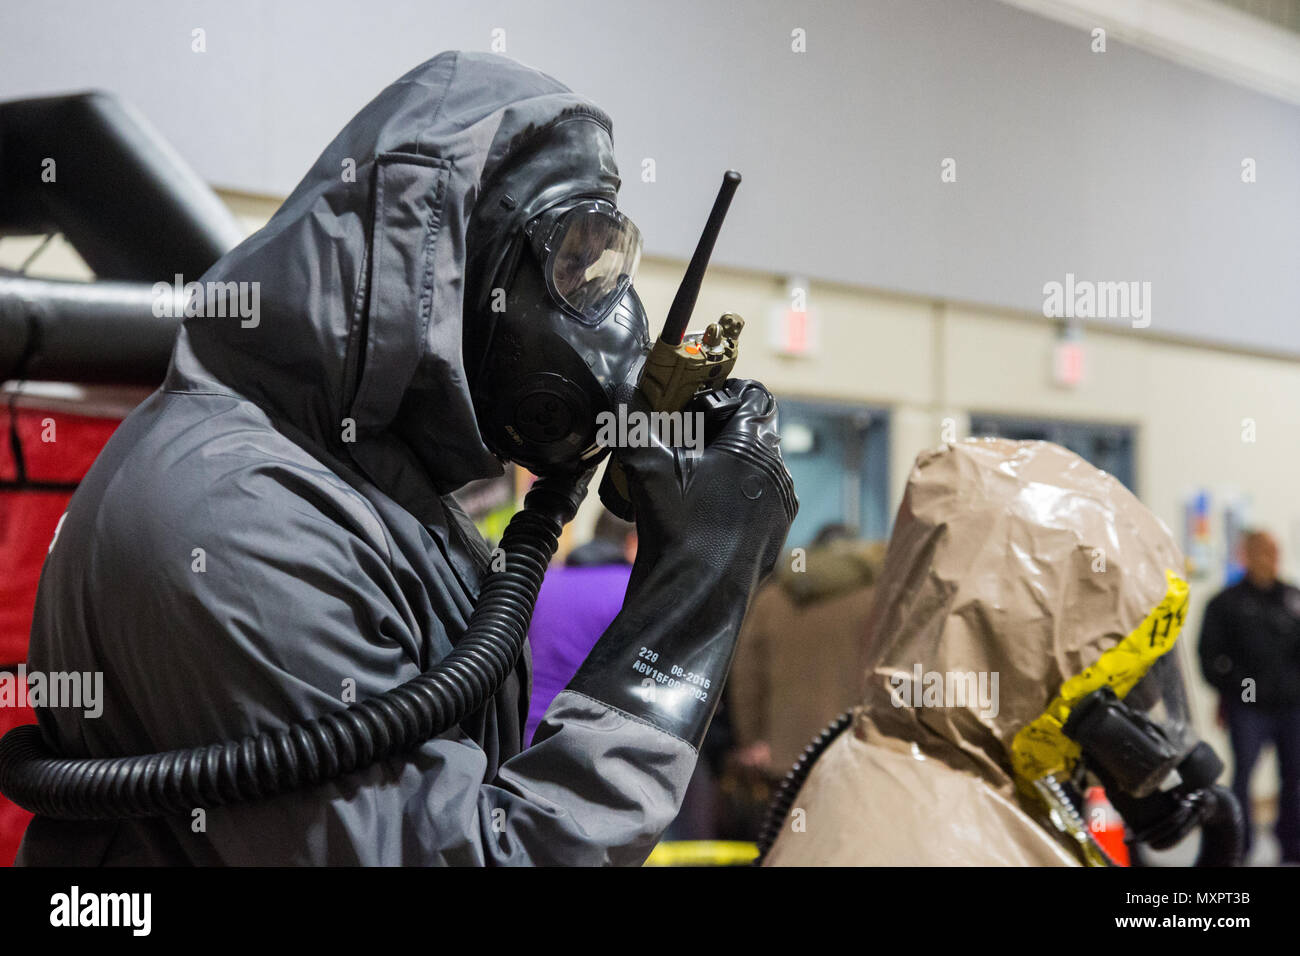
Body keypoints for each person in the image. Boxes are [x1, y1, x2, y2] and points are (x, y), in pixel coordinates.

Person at [11, 51, 795, 865]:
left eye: (607, 263)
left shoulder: (370, 491)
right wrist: (696, 591)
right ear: (441, 263)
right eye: (570, 261)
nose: (611, 316)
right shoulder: (236, 518)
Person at [763, 439, 1241, 866]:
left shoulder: (979, 771)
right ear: (1024, 655)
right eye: (1124, 678)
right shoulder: (917, 832)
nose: (1142, 707)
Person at [723, 523, 883, 835]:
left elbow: (745, 676)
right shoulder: (873, 598)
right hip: (852, 749)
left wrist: (753, 739)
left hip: (781, 755)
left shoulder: (772, 597)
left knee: (787, 841)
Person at [1198, 529, 1300, 863]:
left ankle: (1292, 847)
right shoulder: (1227, 602)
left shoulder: (1291, 599)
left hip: (1291, 706)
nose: (1266, 559)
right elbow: (1212, 657)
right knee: (1244, 776)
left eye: (1272, 552)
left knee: (1294, 779)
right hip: (1249, 704)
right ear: (1246, 556)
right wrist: (1239, 690)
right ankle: (1239, 848)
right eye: (1259, 552)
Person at [524, 510, 636, 745]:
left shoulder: (544, 581)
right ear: (632, 541)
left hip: (522, 738)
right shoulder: (633, 592)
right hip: (584, 748)